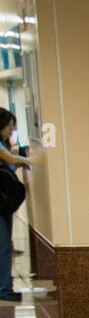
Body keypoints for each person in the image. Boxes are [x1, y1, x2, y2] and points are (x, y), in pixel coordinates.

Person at [0, 108, 33, 303]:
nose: (12, 130)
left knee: (5, 245)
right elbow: (10, 159)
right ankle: (4, 289)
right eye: (10, 126)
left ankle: (5, 285)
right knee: (3, 246)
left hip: (4, 203)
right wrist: (30, 160)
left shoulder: (4, 144)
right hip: (1, 202)